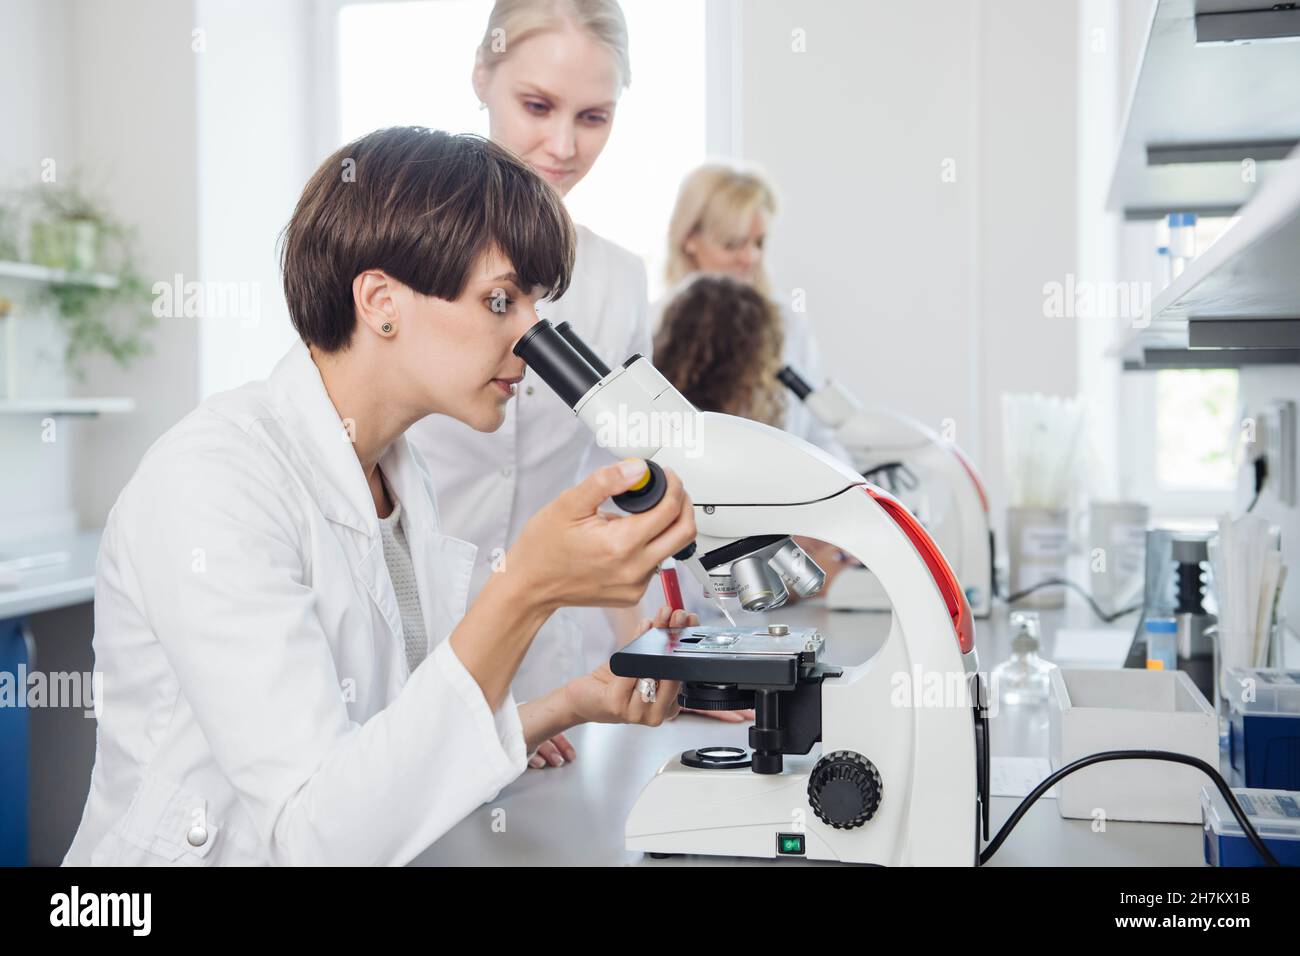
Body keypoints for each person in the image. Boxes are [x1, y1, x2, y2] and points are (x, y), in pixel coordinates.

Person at [63, 127, 697, 867]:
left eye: (534, 302)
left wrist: (563, 705)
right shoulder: (214, 482)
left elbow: (382, 750)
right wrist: (525, 590)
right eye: (500, 300)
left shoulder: (396, 472)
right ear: (380, 301)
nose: (531, 334)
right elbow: (317, 835)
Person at [407, 0, 732, 770]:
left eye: (593, 117)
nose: (562, 144)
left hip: (546, 676)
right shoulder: (404, 256)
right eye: (536, 106)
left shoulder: (617, 280)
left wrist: (662, 662)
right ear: (481, 75)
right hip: (410, 657)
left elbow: (610, 486)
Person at [653, 273, 856, 612]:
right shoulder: (695, 457)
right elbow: (718, 596)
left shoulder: (690, 437)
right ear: (751, 371)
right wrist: (816, 581)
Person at [662, 163, 848, 461]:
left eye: (759, 242)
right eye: (733, 244)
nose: (750, 257)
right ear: (689, 240)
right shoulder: (655, 324)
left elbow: (819, 434)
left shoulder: (786, 322)